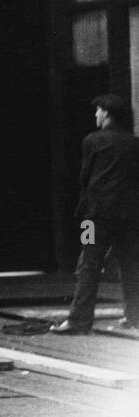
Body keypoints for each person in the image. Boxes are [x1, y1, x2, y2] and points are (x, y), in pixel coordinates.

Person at [51, 94, 139, 335]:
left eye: (98, 111)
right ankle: (135, 317)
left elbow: (85, 176)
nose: (96, 115)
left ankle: (79, 321)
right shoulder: (134, 143)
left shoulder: (92, 141)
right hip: (129, 216)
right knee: (131, 266)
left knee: (89, 264)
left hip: (95, 216)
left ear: (107, 114)